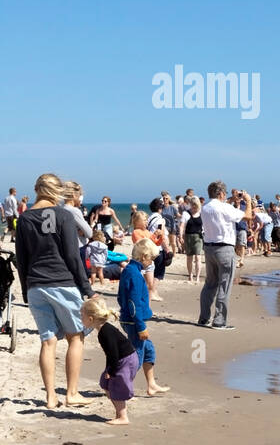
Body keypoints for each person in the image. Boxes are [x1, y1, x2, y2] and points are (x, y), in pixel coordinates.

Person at [14, 173, 95, 408]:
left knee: (47, 341)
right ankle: (71, 393)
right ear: (57, 191)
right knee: (75, 337)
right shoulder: (63, 215)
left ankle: (50, 397)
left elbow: (22, 258)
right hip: (62, 282)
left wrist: (26, 291)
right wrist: (87, 288)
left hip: (37, 284)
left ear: (37, 189)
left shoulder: (25, 218)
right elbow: (72, 255)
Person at [198, 181, 255, 330]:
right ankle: (219, 320)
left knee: (210, 284)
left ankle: (204, 318)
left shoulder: (205, 207)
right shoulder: (225, 207)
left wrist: (232, 199)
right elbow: (248, 216)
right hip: (224, 248)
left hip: (209, 248)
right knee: (224, 285)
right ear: (221, 193)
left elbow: (221, 209)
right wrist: (248, 201)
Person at [118, 238, 169, 396]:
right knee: (136, 357)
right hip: (134, 322)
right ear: (144, 257)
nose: (152, 263)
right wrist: (140, 326)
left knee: (149, 351)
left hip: (130, 319)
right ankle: (122, 388)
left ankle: (151, 384)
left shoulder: (129, 271)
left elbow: (121, 297)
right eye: (151, 259)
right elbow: (133, 304)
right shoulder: (134, 275)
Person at [81, 295, 139, 425]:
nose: (81, 319)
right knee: (106, 384)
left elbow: (113, 353)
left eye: (82, 316)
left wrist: (111, 370)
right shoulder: (103, 330)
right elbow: (110, 353)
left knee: (116, 385)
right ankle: (119, 413)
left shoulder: (105, 332)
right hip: (121, 359)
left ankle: (123, 417)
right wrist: (109, 369)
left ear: (91, 319)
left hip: (125, 360)